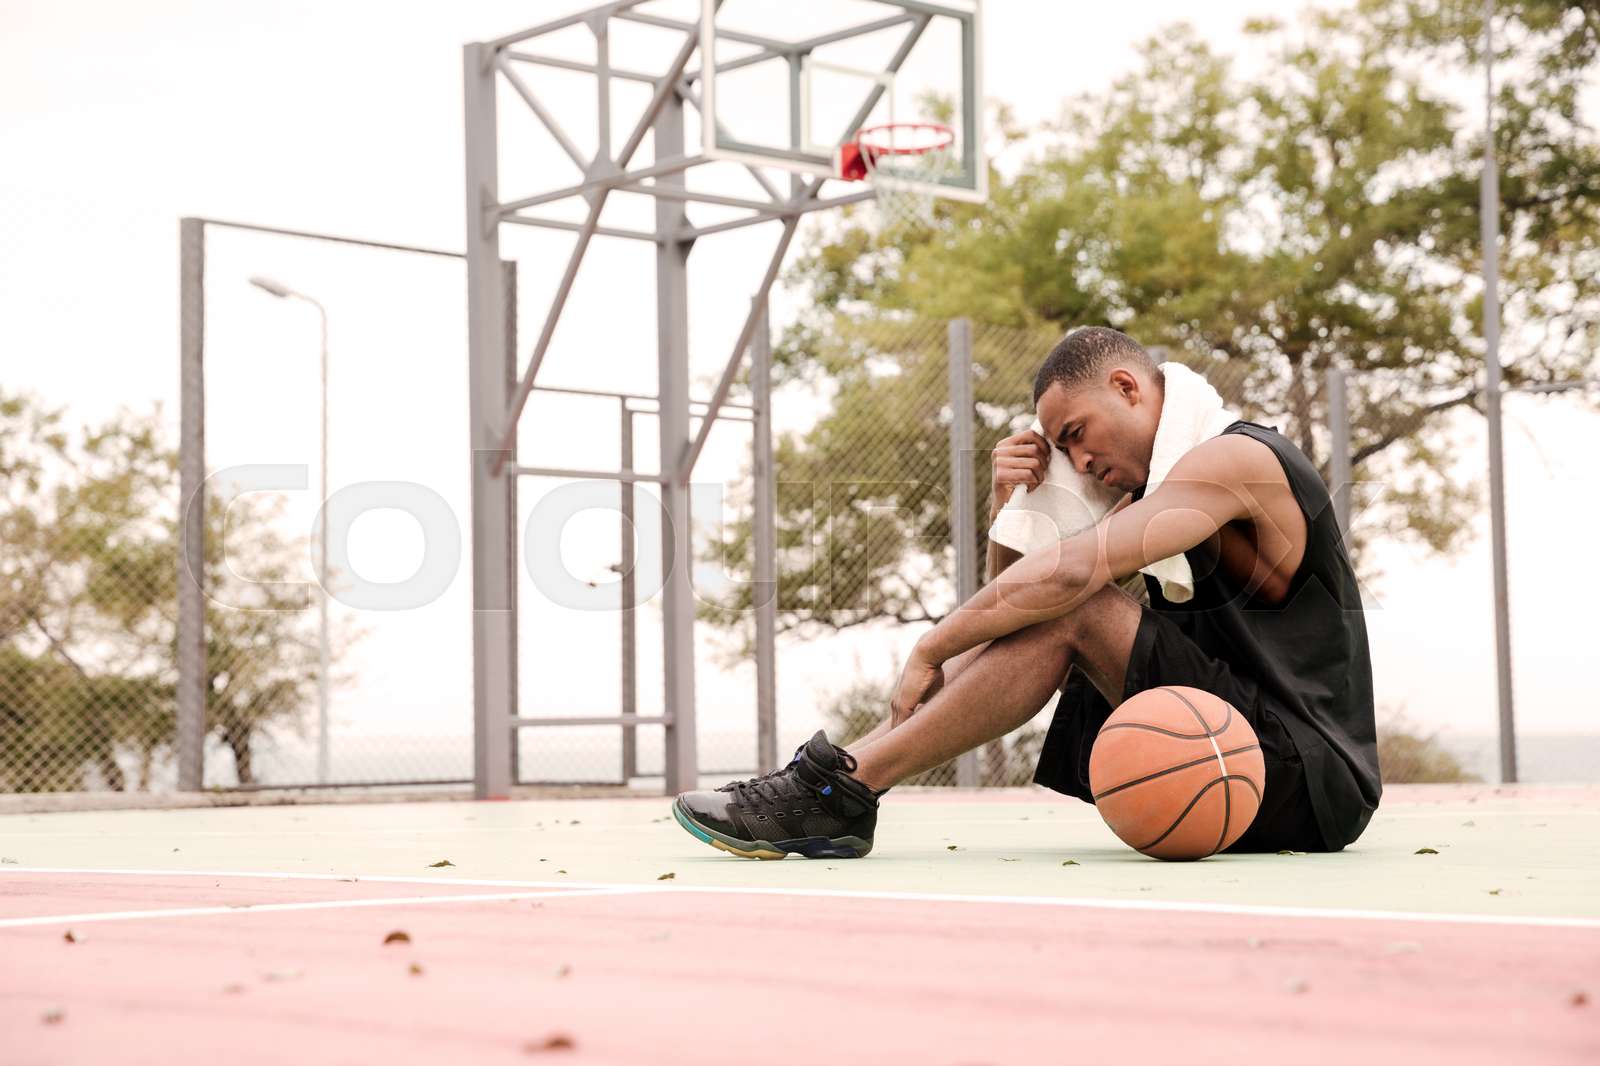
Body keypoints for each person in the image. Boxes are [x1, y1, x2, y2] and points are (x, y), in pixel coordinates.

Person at [672, 326, 1381, 859]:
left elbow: (1067, 584)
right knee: (1061, 606)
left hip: (1307, 776)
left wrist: (930, 644)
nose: (1079, 460)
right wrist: (1006, 507)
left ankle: (841, 791)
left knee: (1078, 602)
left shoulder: (1235, 459)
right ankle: (834, 783)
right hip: (1235, 744)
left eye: (1075, 434)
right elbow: (1017, 614)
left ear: (1129, 388)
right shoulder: (1158, 485)